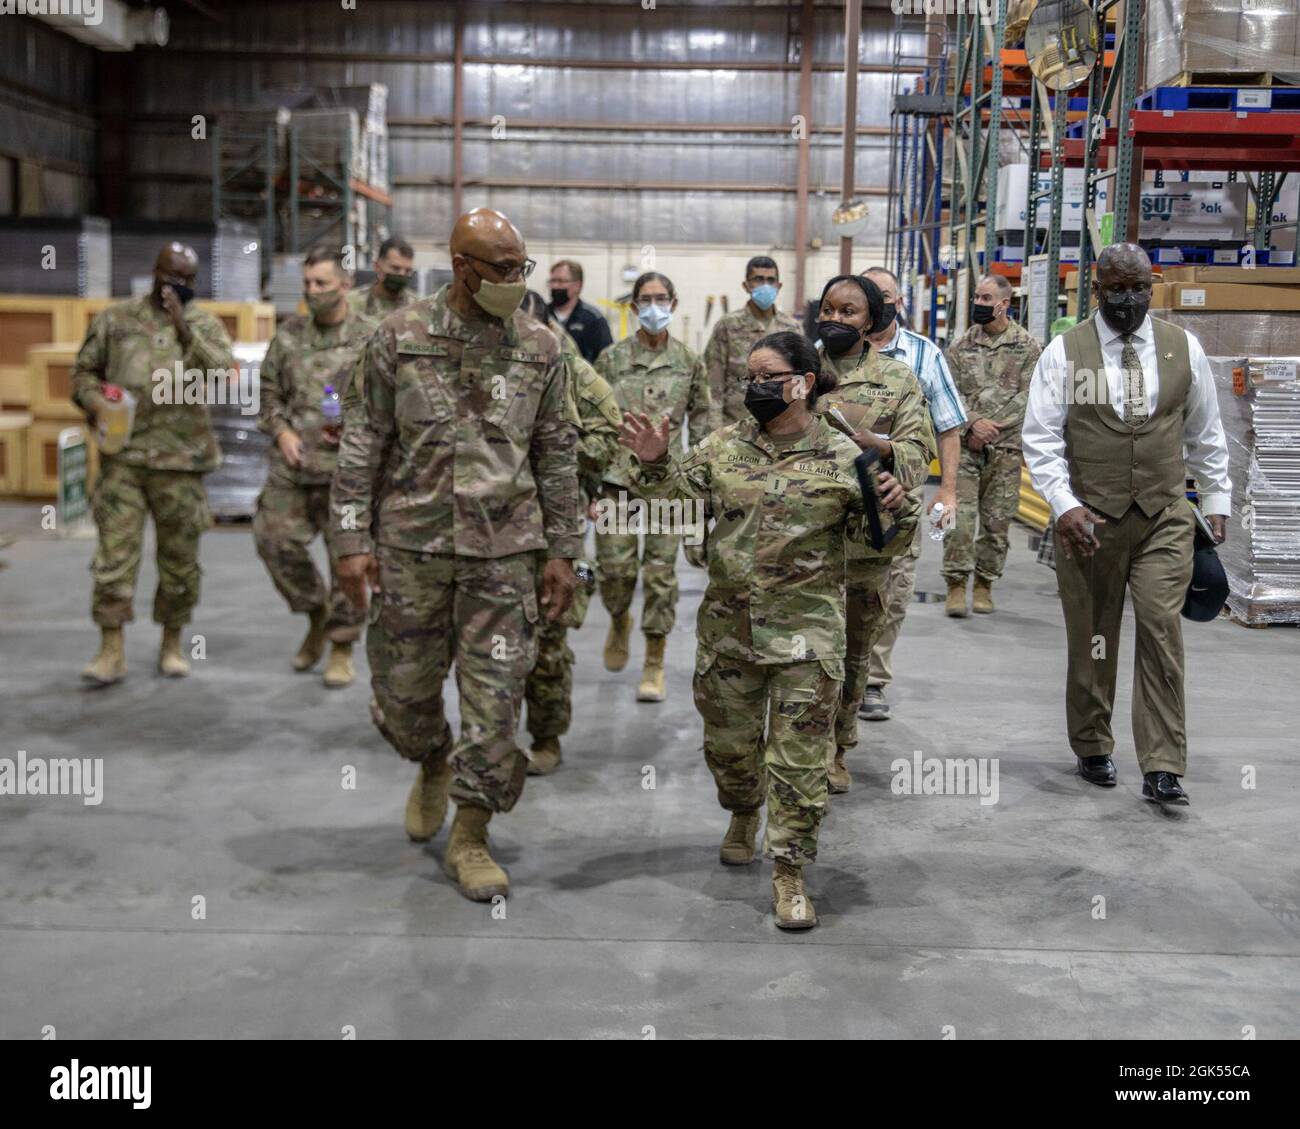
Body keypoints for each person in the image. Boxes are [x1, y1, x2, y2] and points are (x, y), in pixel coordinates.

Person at [619, 331, 911, 930]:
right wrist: (653, 464)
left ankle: (790, 871)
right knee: (729, 751)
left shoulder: (844, 456)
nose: (754, 387)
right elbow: (673, 505)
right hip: (730, 632)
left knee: (800, 762)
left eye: (767, 376)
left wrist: (896, 506)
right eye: (749, 377)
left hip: (808, 635)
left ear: (803, 383)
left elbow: (878, 545)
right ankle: (742, 810)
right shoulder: (722, 447)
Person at [332, 208, 580, 900]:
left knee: (496, 703)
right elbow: (361, 443)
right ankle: (432, 756)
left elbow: (558, 452)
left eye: (522, 267)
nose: (516, 280)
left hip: (506, 553)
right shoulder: (399, 337)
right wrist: (350, 541)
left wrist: (564, 550)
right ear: (462, 267)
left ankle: (470, 834)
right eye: (503, 269)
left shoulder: (541, 346)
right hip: (412, 546)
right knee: (402, 694)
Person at [1022, 243, 1231, 805]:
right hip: (1090, 519)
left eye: (1139, 288)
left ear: (1152, 286)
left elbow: (1205, 431)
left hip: (1164, 515)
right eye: (1117, 288)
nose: (1129, 299)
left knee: (1162, 629)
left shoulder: (1182, 348)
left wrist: (1215, 499)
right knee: (1094, 636)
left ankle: (1163, 763)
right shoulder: (1065, 354)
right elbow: (1040, 438)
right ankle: (1092, 742)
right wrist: (1064, 506)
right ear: (1098, 287)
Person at [72, 242, 234, 684]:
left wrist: (184, 329)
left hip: (181, 462)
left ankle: (173, 643)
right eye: (168, 276)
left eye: (184, 280)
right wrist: (95, 402)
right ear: (154, 272)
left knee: (180, 561)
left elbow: (223, 375)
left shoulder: (204, 325)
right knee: (114, 557)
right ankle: (111, 649)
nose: (173, 286)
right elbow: (84, 372)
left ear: (195, 284)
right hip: (124, 459)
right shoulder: (116, 319)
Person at [812, 275, 935, 792]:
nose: (838, 321)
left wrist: (878, 445)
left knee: (854, 649)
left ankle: (839, 745)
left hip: (865, 541)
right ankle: (803, 747)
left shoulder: (896, 378)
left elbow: (918, 450)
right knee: (806, 650)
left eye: (850, 312)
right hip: (802, 539)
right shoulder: (798, 370)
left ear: (871, 320)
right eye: (830, 311)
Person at [254, 247, 376, 688]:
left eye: (321, 283)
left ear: (345, 286)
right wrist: (282, 431)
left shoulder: (370, 337)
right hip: (296, 466)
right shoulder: (288, 336)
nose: (312, 292)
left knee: (347, 558)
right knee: (273, 541)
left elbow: (390, 401)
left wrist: (362, 433)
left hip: (348, 473)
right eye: (308, 284)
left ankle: (341, 644)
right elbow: (267, 397)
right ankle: (315, 613)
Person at [518, 291, 623, 776]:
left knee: (546, 641)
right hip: (484, 526)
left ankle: (545, 736)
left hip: (550, 524)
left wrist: (555, 451)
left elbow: (609, 434)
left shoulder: (575, 374)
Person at [594, 270, 711, 702]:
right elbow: (595, 423)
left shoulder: (689, 362)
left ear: (674, 304)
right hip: (616, 480)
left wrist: (702, 486)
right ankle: (619, 616)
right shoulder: (609, 360)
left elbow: (702, 424)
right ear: (634, 306)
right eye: (646, 299)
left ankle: (654, 662)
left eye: (662, 298)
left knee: (661, 575)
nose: (654, 307)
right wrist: (589, 485)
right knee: (615, 571)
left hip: (670, 483)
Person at [858, 266, 968, 721]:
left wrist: (947, 490)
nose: (878, 304)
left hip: (899, 495)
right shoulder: (830, 352)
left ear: (899, 302)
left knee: (895, 588)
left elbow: (949, 427)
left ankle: (873, 679)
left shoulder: (924, 355)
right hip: (838, 492)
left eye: (886, 296)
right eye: (870, 297)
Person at [942, 272, 1042, 616]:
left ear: (1004, 304)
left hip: (1007, 447)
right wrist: (973, 423)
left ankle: (984, 584)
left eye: (986, 299)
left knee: (997, 523)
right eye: (977, 298)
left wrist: (993, 426)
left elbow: (1031, 395)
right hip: (965, 446)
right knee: (959, 519)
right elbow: (947, 395)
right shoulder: (959, 347)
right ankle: (955, 585)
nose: (979, 304)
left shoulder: (1028, 346)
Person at [703, 255, 802, 429]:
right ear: (746, 285)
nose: (765, 285)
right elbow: (713, 384)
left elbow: (799, 381)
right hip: (737, 426)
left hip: (781, 425)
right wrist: (715, 431)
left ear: (778, 286)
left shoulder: (792, 328)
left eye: (770, 280)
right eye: (758, 279)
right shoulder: (727, 326)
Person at [547, 259, 613, 364]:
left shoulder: (594, 320)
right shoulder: (541, 315)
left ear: (577, 285)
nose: (555, 286)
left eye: (560, 281)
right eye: (552, 281)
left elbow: (606, 359)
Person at [346, 236, 417, 320]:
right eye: (395, 268)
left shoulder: (418, 307)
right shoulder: (350, 303)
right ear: (377, 267)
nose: (402, 274)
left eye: (408, 271)